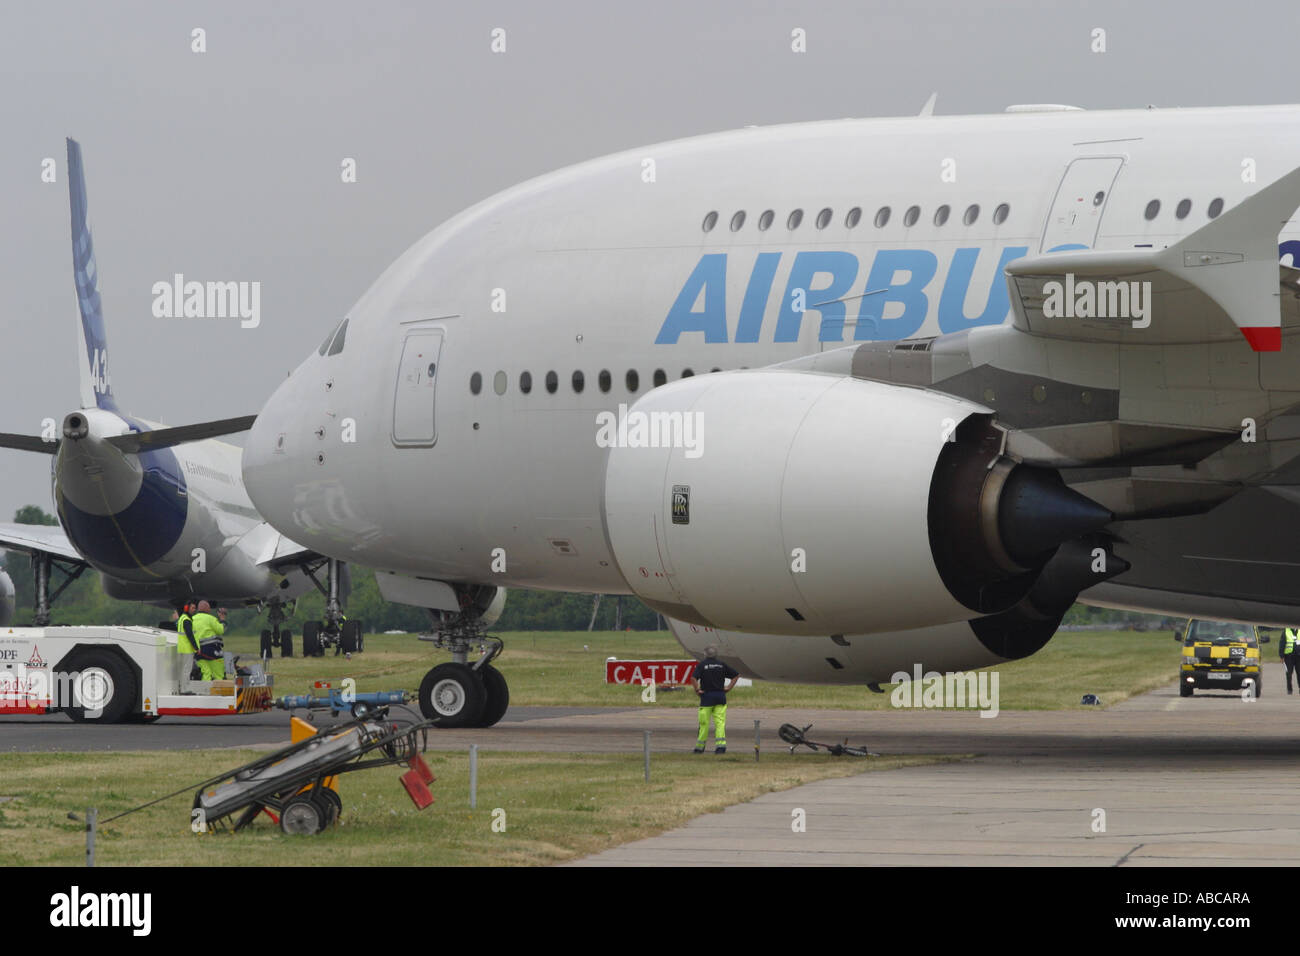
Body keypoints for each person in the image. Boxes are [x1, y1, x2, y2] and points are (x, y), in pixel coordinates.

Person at [691, 645, 739, 754]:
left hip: (707, 698)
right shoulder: (722, 665)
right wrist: (728, 687)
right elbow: (736, 675)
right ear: (716, 654)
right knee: (720, 723)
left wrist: (697, 690)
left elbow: (693, 678)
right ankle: (721, 747)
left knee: (704, 724)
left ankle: (700, 747)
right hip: (720, 698)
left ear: (705, 654)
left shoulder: (702, 665)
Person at [191, 600, 228, 681]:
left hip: (198, 651)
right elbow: (221, 630)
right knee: (218, 672)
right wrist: (222, 619)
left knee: (206, 672)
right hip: (212, 650)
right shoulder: (211, 619)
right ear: (207, 609)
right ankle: (219, 689)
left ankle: (205, 691)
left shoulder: (192, 619)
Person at [175, 601, 199, 692]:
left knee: (182, 669)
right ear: (187, 608)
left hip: (181, 648)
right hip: (187, 649)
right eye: (192, 608)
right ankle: (185, 689)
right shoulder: (187, 620)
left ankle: (181, 688)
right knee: (187, 670)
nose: (194, 610)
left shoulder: (182, 618)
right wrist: (196, 647)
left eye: (195, 608)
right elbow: (190, 635)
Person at [1282, 626, 1300, 695]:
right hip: (1289, 657)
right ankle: (1289, 689)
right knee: (1289, 674)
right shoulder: (1286, 631)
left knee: (1299, 673)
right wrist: (1281, 655)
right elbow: (1282, 643)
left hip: (1298, 657)